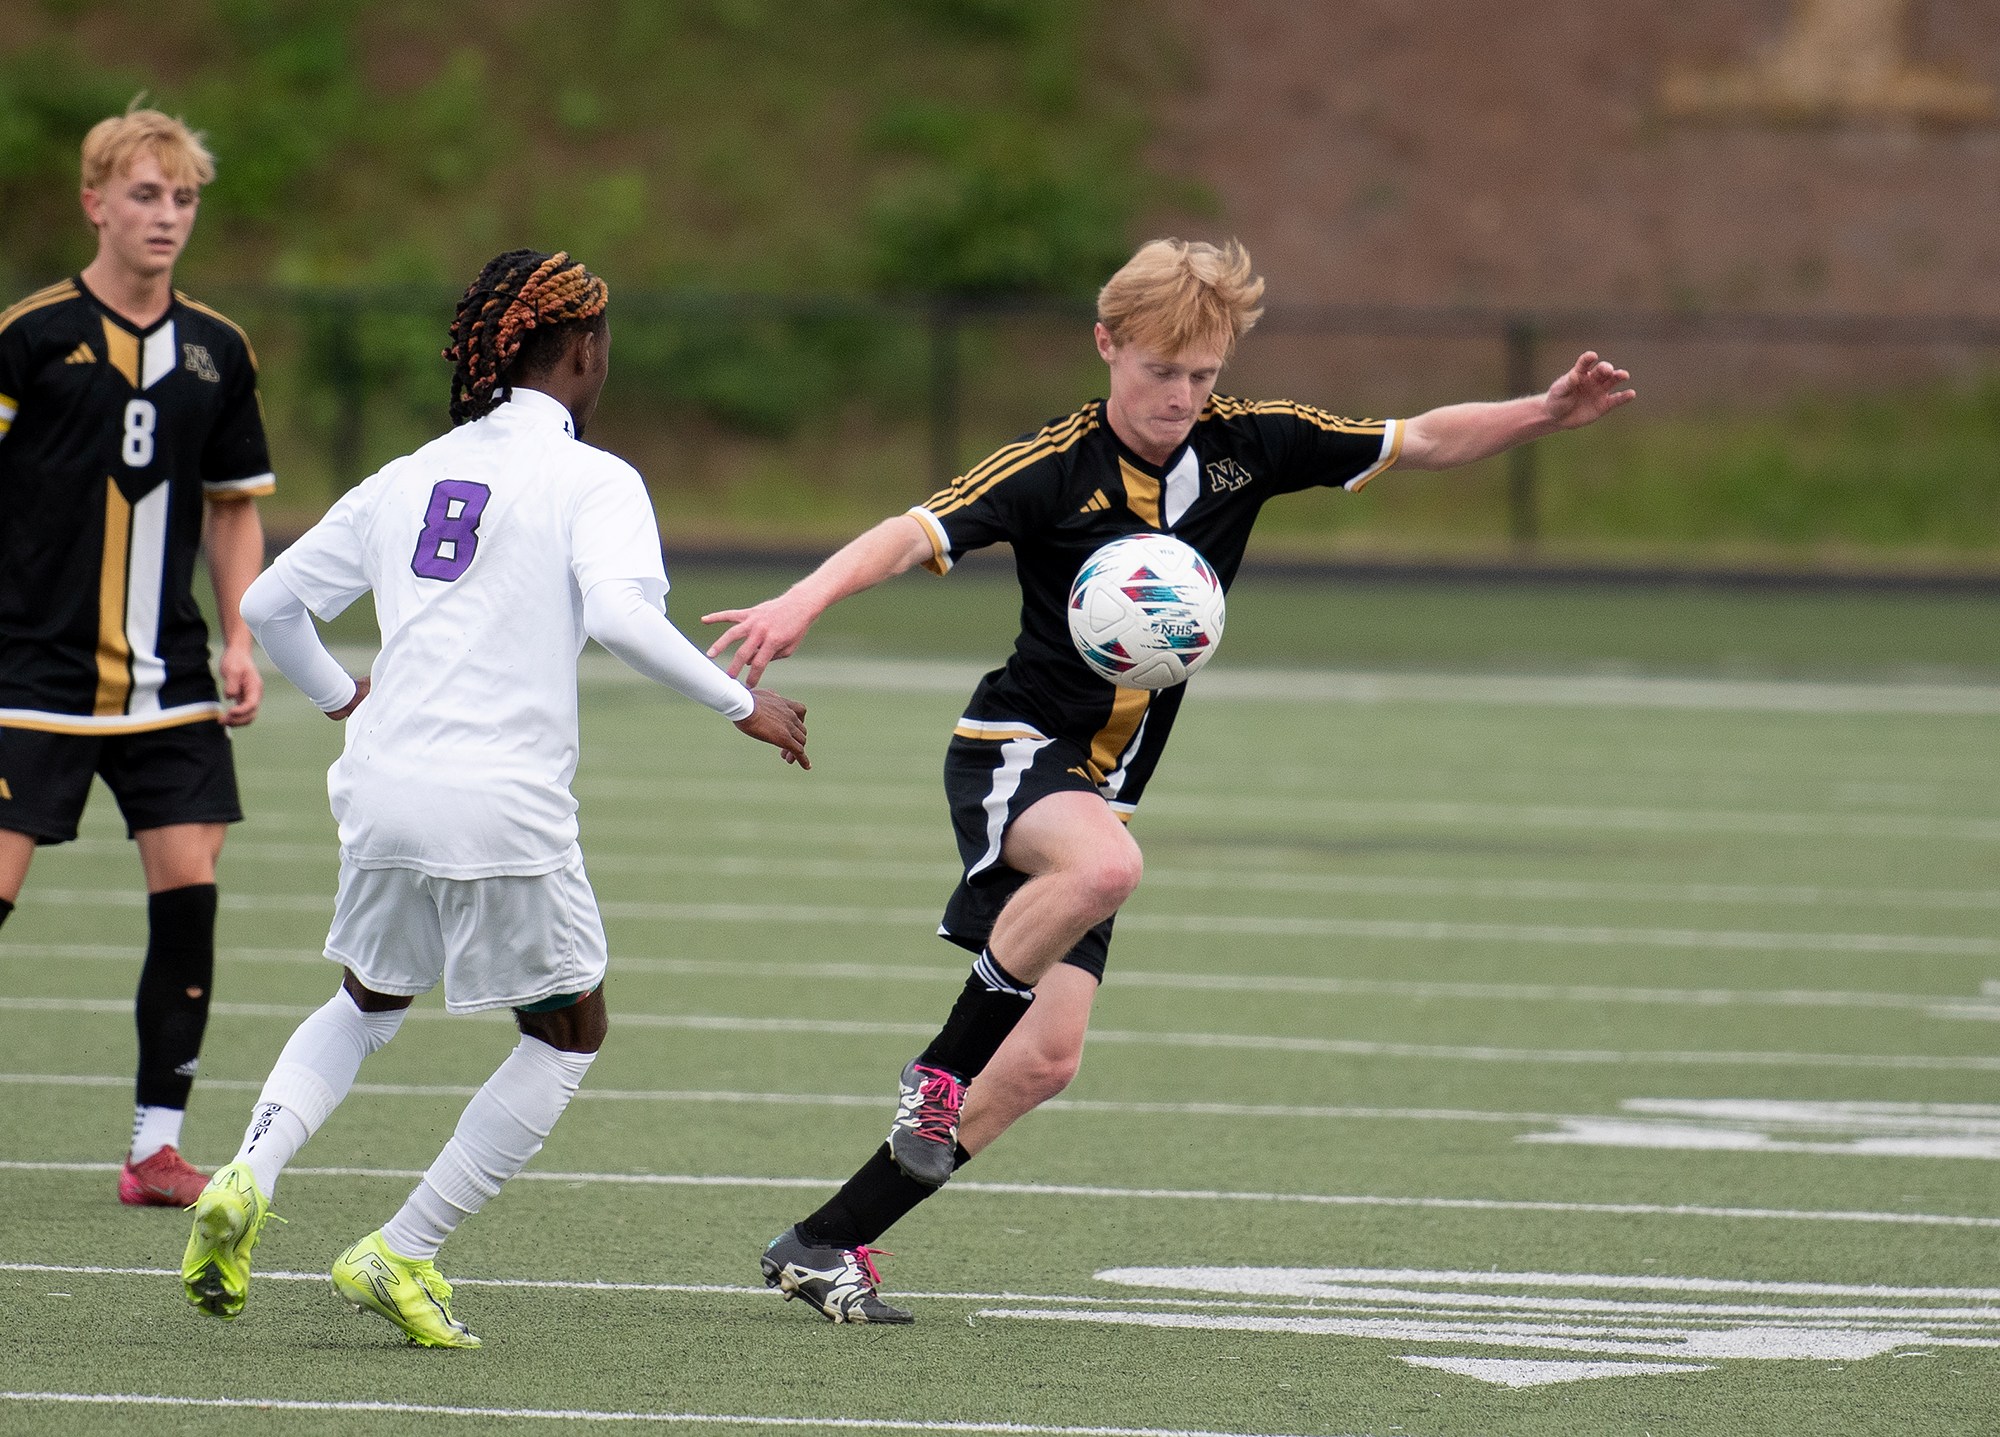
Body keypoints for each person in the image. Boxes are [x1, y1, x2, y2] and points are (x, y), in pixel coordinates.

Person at [706, 238, 1636, 1324]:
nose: (1181, 397)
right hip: (1013, 749)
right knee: (1106, 867)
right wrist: (800, 603)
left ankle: (827, 1241)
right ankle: (937, 1071)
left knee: (1047, 1060)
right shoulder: (1052, 465)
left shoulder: (1247, 447)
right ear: (1106, 346)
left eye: (1201, 374)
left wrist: (1543, 411)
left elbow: (1419, 438)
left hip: (1098, 785)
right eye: (1159, 372)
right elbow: (910, 532)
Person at [179, 248, 811, 1348]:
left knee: (370, 998)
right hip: (497, 801)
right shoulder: (595, 478)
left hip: (379, 786)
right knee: (568, 1032)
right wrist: (740, 705)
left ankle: (248, 1170)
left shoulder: (409, 471)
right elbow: (620, 619)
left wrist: (339, 699)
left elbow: (272, 601)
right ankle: (401, 1250)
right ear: (579, 351)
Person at [0, 103, 273, 1207]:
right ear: (96, 203)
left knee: (189, 899)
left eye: (184, 198)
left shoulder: (219, 350)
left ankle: (154, 1148)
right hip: (29, 676)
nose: (167, 216)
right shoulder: (26, 337)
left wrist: (246, 634)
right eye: (147, 195)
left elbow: (233, 510)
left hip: (169, 680)